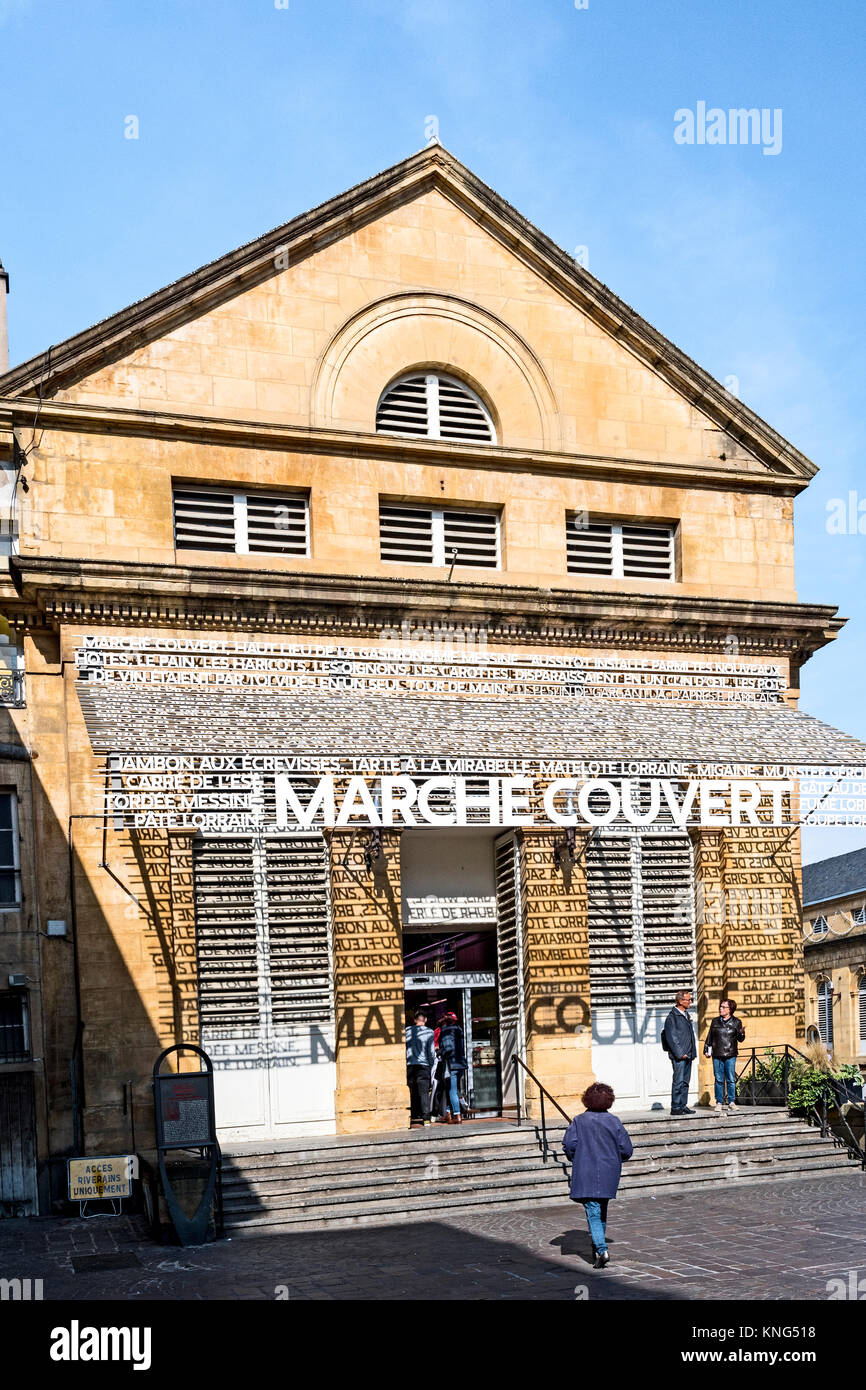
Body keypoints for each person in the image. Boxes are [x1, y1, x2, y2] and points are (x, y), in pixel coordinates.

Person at [562, 1083, 633, 1270]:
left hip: (586, 1169)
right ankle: (596, 1248)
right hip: (609, 1170)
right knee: (600, 1209)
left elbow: (570, 1145)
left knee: (593, 1210)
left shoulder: (579, 1121)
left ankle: (601, 1249)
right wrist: (616, 1159)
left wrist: (575, 1157)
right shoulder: (614, 1121)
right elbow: (626, 1149)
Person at [704, 998, 745, 1113]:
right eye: (720, 1007)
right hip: (717, 1054)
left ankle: (731, 1102)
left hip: (730, 1054)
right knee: (718, 1079)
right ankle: (719, 1102)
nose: (720, 1009)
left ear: (730, 1009)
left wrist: (742, 1032)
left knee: (731, 1079)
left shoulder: (737, 1022)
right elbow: (709, 1036)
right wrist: (706, 1049)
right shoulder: (715, 1021)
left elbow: (740, 1039)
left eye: (723, 1007)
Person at [662, 988, 697, 1116]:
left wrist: (692, 1052)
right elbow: (671, 1038)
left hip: (688, 1054)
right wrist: (680, 1053)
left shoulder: (686, 1015)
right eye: (688, 1000)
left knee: (685, 1082)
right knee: (678, 1081)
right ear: (680, 1001)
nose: (690, 1002)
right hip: (680, 1056)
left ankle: (683, 1105)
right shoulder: (672, 1017)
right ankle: (676, 1107)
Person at [436, 1011, 468, 1124]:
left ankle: (457, 1115)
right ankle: (448, 1113)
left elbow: (448, 1049)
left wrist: (438, 1051)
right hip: (461, 1063)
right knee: (452, 1090)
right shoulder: (458, 1029)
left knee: (453, 1091)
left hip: (452, 1064)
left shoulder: (446, 1031)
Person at [405, 1006, 435, 1127]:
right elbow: (431, 1052)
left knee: (412, 1092)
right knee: (424, 1093)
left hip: (410, 1065)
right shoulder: (429, 1032)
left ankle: (411, 1117)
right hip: (424, 1066)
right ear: (426, 1019)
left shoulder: (407, 1031)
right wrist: (431, 1065)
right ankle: (426, 1119)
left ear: (414, 1019)